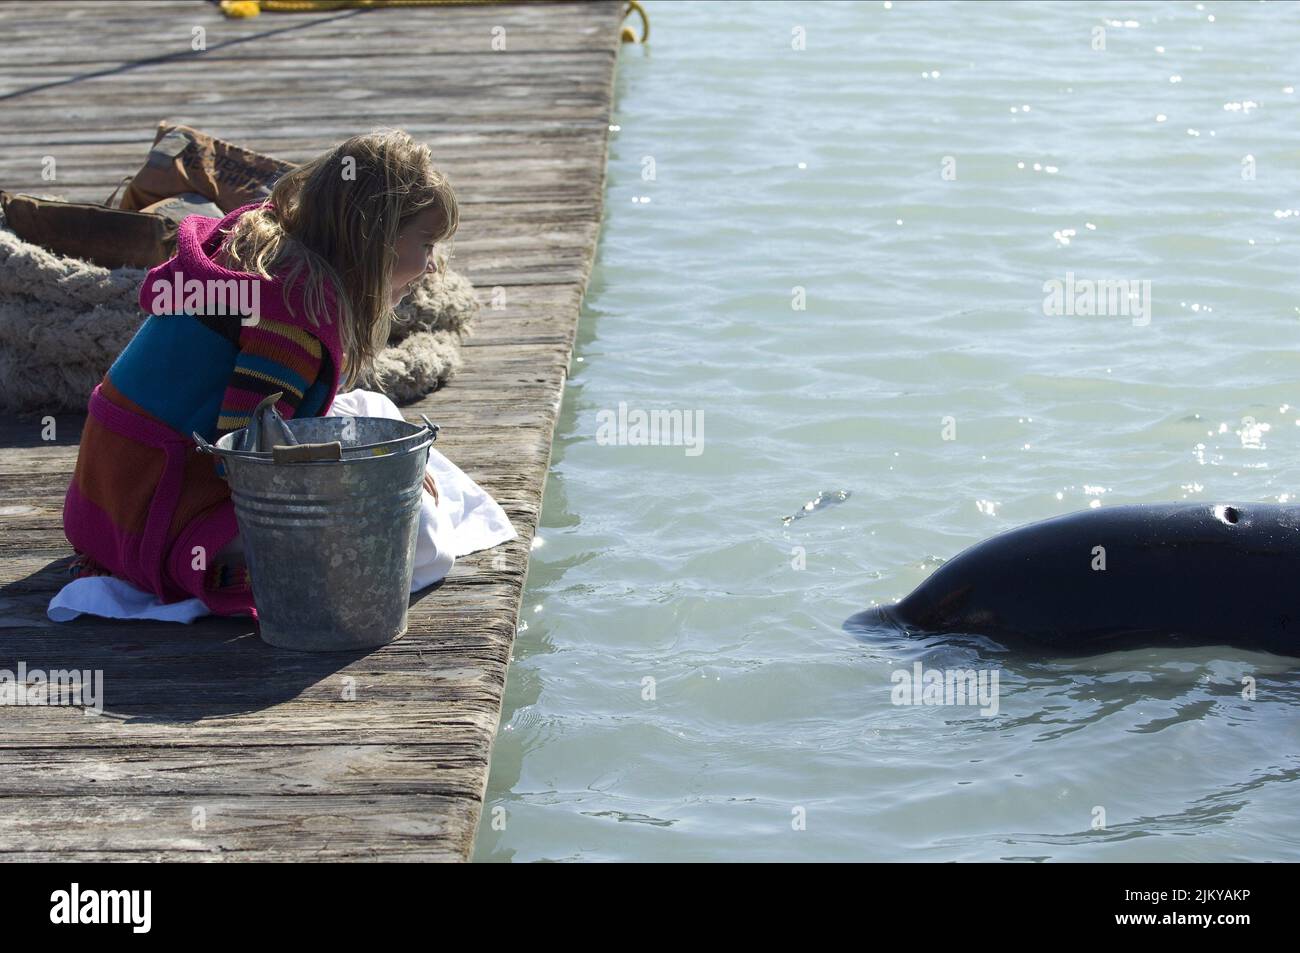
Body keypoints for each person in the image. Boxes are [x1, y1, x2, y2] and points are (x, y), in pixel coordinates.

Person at [62, 129, 455, 617]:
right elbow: (247, 459)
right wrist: (371, 483)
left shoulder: (266, 243)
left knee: (373, 409)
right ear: (374, 238)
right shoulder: (292, 312)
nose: (433, 267)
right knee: (421, 539)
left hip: (105, 497)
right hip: (159, 515)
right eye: (428, 244)